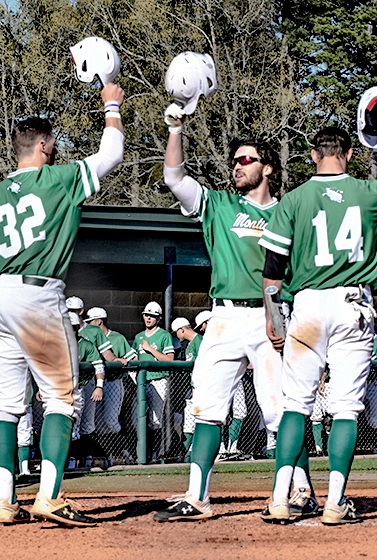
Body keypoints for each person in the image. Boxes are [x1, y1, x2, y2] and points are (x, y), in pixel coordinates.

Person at [0, 81, 126, 527]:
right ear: (43, 144)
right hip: (38, 294)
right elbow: (112, 153)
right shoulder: (57, 178)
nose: (55, 147)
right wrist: (111, 104)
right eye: (52, 141)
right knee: (61, 400)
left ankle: (4, 501)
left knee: (7, 405)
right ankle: (49, 497)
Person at [152, 101, 310, 522]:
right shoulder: (220, 204)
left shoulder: (288, 212)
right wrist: (175, 128)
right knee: (206, 406)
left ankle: (301, 489)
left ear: (268, 168)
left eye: (246, 160)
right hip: (222, 317)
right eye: (235, 160)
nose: (237, 165)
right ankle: (197, 495)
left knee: (278, 409)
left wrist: (281, 320)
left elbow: (296, 273)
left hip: (269, 315)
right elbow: (174, 177)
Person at [259, 126, 377, 525]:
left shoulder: (293, 199)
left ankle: (279, 498)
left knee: (296, 405)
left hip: (308, 305)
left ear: (314, 155)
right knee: (345, 407)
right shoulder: (370, 192)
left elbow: (273, 272)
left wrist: (275, 320)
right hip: (353, 304)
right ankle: (335, 502)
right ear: (348, 154)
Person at [124, 301, 174, 463]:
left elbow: (170, 360)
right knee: (135, 420)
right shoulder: (139, 336)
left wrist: (150, 349)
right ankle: (138, 454)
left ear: (159, 318)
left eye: (152, 316)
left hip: (159, 379)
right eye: (146, 315)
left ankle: (154, 455)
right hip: (142, 382)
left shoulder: (164, 335)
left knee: (155, 420)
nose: (148, 318)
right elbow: (133, 358)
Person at [86, 307, 131, 437]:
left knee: (111, 420)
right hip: (96, 383)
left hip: (113, 382)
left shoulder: (117, 337)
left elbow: (133, 359)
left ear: (99, 321)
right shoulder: (89, 338)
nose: (88, 325)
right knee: (99, 424)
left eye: (91, 322)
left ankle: (124, 445)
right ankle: (108, 450)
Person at [72, 312, 107, 467]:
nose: (71, 330)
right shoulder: (57, 343)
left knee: (76, 427)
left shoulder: (85, 344)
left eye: (74, 327)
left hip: (78, 388)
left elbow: (99, 366)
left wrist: (99, 387)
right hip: (58, 390)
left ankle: (74, 462)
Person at [171, 317, 200, 460]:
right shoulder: (189, 345)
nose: (176, 336)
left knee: (201, 420)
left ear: (182, 330)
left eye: (177, 332)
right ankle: (187, 454)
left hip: (201, 387)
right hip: (192, 387)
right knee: (189, 421)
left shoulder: (199, 340)